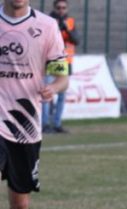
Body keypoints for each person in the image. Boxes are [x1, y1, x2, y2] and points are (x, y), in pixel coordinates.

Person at [0, 0, 69, 209]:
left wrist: (53, 87)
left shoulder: (47, 26)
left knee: (20, 205)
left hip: (25, 127)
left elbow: (62, 76)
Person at [42, 0, 77, 133]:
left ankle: (57, 124)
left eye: (63, 7)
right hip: (52, 61)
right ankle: (44, 124)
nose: (61, 10)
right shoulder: (48, 21)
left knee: (62, 95)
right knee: (47, 93)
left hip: (66, 61)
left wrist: (66, 28)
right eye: (59, 7)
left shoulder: (70, 22)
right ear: (54, 8)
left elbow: (76, 40)